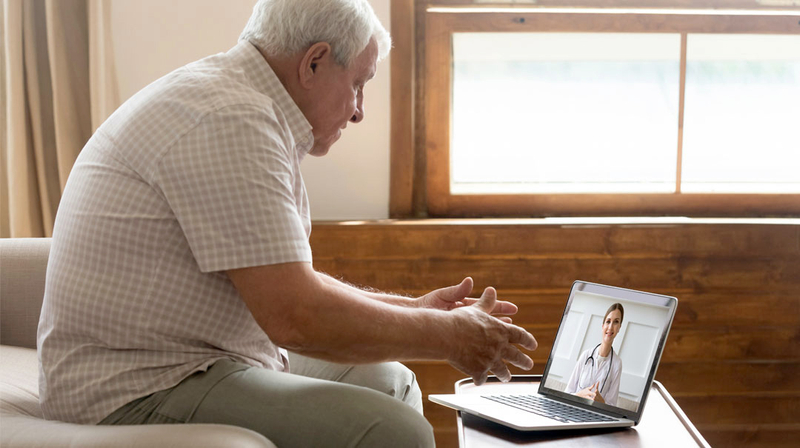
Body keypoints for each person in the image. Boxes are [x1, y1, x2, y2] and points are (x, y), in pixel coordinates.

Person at [36, 1, 538, 446]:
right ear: (314, 61)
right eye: (358, 84)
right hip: (136, 383)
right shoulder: (231, 119)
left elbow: (283, 280)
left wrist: (415, 310)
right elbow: (295, 315)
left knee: (390, 380)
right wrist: (447, 335)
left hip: (193, 354)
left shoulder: (237, 101)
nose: (360, 110)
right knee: (393, 430)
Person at [564, 303, 624, 406]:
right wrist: (579, 395)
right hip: (574, 409)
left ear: (619, 328)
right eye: (608, 321)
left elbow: (612, 406)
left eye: (616, 322)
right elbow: (567, 394)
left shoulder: (617, 363)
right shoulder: (586, 355)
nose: (610, 327)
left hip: (595, 416)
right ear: (602, 326)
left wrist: (602, 403)